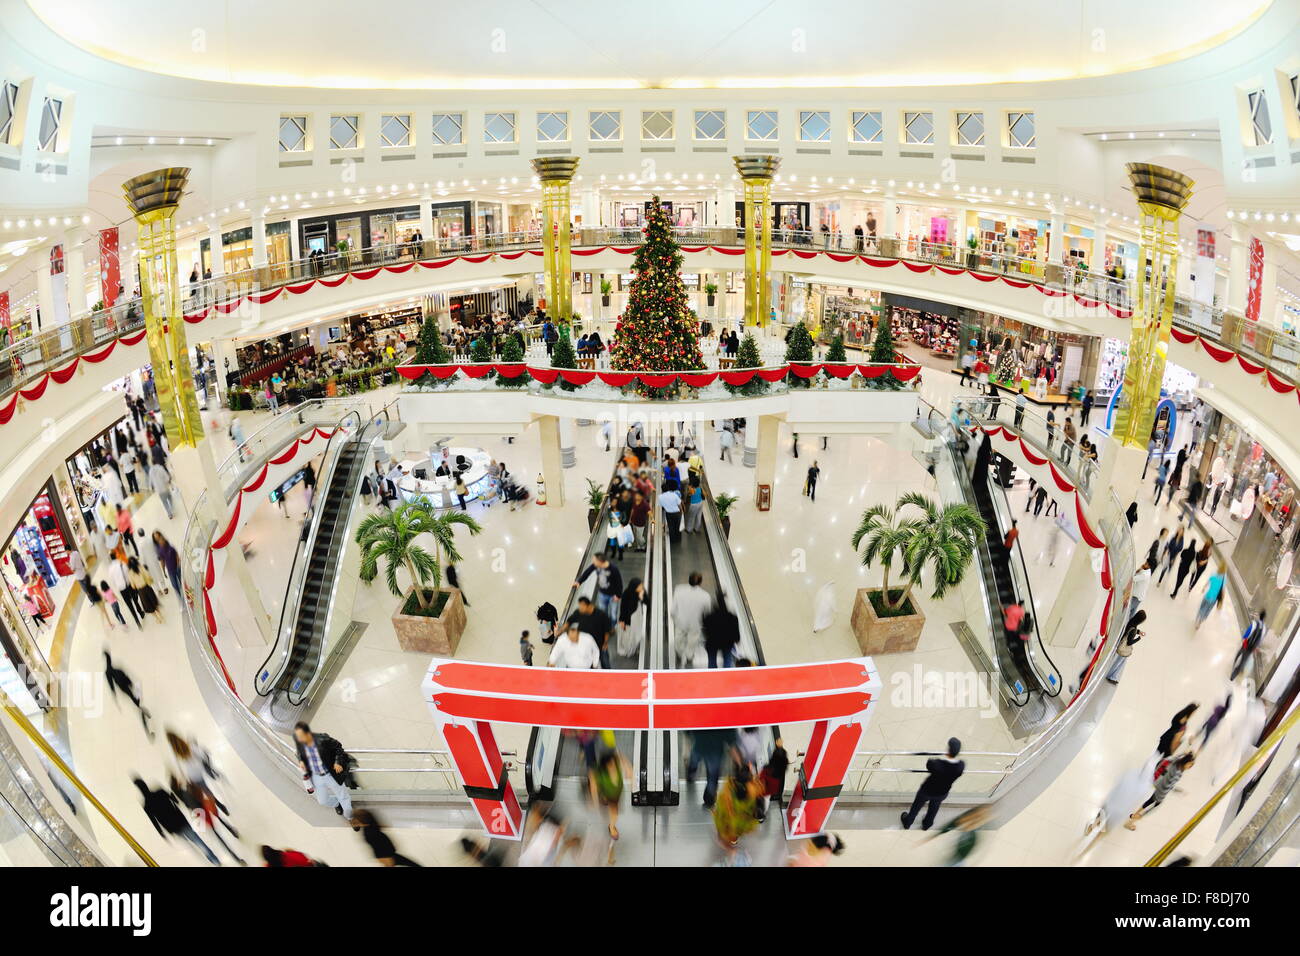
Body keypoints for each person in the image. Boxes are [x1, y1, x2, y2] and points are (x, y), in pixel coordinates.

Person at [132, 777, 220, 865]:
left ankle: (207, 861)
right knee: (197, 841)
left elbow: (154, 821)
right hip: (180, 820)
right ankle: (214, 860)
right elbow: (176, 801)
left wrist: (162, 834)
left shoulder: (146, 806)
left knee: (191, 844)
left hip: (172, 828)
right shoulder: (160, 791)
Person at [900, 737, 965, 831]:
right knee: (934, 808)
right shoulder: (960, 766)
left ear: (948, 750)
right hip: (942, 792)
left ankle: (908, 822)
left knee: (916, 807)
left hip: (927, 790)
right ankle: (927, 824)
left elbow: (929, 764)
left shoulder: (937, 764)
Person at [293, 722, 353, 819]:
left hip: (331, 774)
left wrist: (337, 762)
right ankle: (336, 804)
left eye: (300, 736)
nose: (299, 739)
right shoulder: (301, 743)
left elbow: (338, 748)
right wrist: (301, 760)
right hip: (317, 777)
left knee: (343, 796)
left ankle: (351, 818)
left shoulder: (323, 739)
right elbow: (299, 752)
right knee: (322, 801)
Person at [1125, 754, 1195, 829]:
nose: (1190, 767)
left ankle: (1134, 815)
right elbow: (1170, 786)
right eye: (1190, 765)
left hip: (1159, 786)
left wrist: (1186, 754)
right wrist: (1180, 791)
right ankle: (1129, 823)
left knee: (1148, 802)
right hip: (1161, 793)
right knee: (1148, 811)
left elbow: (1171, 758)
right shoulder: (1178, 773)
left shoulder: (1176, 762)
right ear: (1186, 762)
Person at [589, 748, 631, 864]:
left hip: (616, 795)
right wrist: (595, 801)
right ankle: (611, 829)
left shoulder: (616, 762)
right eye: (610, 764)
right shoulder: (598, 772)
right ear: (605, 764)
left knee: (615, 811)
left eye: (613, 762)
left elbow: (622, 758)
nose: (613, 765)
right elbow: (593, 787)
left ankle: (611, 827)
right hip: (607, 798)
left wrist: (628, 771)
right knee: (614, 813)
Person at [712, 767, 762, 865]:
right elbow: (757, 806)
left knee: (727, 836)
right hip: (742, 821)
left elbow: (721, 808)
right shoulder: (753, 790)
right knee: (734, 835)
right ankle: (734, 844)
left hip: (729, 821)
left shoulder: (728, 790)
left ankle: (732, 847)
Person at [104, 652, 154, 739]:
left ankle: (142, 709)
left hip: (126, 685)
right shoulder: (113, 670)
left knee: (137, 700)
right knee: (137, 702)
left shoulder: (112, 670)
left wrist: (115, 695)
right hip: (126, 685)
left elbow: (113, 683)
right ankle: (146, 726)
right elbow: (113, 682)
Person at [686, 726, 737, 809]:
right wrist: (740, 763)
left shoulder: (699, 715)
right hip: (715, 752)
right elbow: (731, 743)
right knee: (712, 778)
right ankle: (709, 800)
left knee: (694, 761)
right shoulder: (725, 720)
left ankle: (691, 774)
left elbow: (688, 730)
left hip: (699, 746)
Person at [927, 804, 992, 867]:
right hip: (958, 856)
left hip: (959, 857)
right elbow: (954, 823)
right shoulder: (968, 824)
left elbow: (956, 823)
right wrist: (938, 834)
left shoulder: (974, 833)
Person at [672, 571, 714, 666]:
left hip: (681, 621)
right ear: (700, 582)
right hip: (696, 623)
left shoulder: (679, 590)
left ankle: (679, 653)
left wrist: (675, 619)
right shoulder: (706, 596)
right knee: (693, 640)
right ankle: (689, 656)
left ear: (688, 580)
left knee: (679, 638)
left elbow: (673, 609)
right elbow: (707, 612)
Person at [351, 809, 421, 866]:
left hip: (388, 854)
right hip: (386, 856)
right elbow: (378, 848)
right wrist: (387, 860)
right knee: (414, 864)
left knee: (412, 864)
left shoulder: (371, 828)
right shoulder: (370, 833)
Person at [574, 551, 623, 621]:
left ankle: (611, 628)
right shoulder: (596, 565)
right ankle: (605, 628)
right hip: (602, 594)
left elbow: (619, 583)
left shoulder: (613, 569)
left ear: (600, 561)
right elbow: (587, 572)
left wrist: (618, 595)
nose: (593, 562)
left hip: (613, 596)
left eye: (594, 561)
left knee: (613, 615)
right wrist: (579, 582)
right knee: (603, 613)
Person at [569, 595, 614, 669]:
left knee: (605, 663)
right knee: (590, 664)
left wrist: (605, 643)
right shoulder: (579, 613)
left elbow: (607, 631)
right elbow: (569, 621)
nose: (580, 608)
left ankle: (608, 675)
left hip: (600, 645)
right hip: (587, 647)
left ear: (588, 605)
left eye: (582, 606)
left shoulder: (601, 615)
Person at [703, 592, 740, 668]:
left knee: (712, 660)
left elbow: (705, 629)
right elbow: (735, 630)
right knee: (727, 659)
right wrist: (737, 639)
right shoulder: (732, 617)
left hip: (712, 642)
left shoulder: (709, 617)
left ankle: (713, 673)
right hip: (727, 642)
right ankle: (726, 674)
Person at [1106, 610, 1146, 683]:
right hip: (1124, 647)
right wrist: (1138, 638)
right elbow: (1129, 642)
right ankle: (1111, 676)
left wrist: (1138, 632)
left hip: (1121, 642)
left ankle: (1113, 676)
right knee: (1119, 662)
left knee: (1120, 662)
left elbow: (1130, 629)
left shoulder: (1132, 621)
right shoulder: (1134, 629)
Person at [1231, 610, 1267, 682]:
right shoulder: (1264, 629)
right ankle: (1233, 676)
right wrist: (1255, 647)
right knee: (1243, 661)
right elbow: (1260, 640)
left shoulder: (1254, 623)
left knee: (1239, 653)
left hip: (1246, 644)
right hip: (1251, 648)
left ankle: (1233, 665)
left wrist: (1244, 639)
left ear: (1259, 616)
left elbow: (1248, 632)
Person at [615, 578, 647, 659]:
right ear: (634, 587)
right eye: (640, 586)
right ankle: (629, 650)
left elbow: (647, 602)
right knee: (628, 636)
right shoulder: (626, 594)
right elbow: (623, 608)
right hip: (628, 620)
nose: (642, 587)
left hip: (637, 618)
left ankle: (634, 646)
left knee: (636, 634)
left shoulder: (641, 591)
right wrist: (622, 621)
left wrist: (642, 597)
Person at [1194, 563, 1227, 630]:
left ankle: (1197, 619)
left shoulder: (1214, 573)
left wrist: (1203, 588)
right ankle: (1199, 622)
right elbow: (1223, 590)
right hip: (1213, 598)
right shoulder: (1224, 577)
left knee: (1201, 607)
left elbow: (1208, 581)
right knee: (1207, 610)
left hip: (1207, 595)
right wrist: (1222, 600)